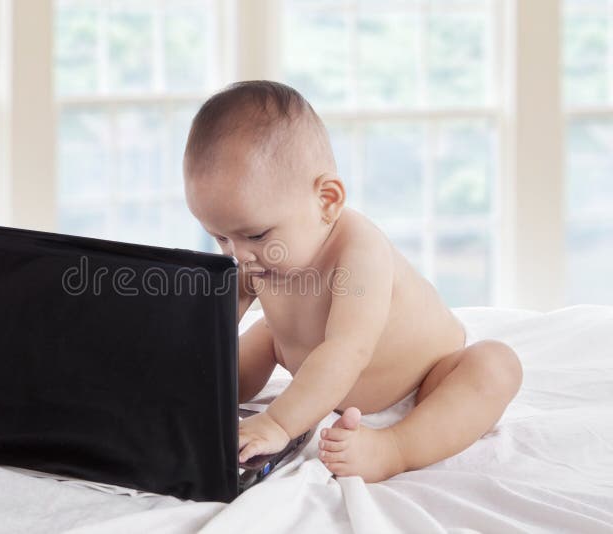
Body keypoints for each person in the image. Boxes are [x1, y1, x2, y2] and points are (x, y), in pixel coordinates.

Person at [182, 80, 523, 483]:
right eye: (220, 237)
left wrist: (278, 422)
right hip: (316, 374)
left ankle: (396, 447)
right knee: (257, 339)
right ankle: (194, 399)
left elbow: (347, 351)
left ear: (327, 200)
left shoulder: (359, 252)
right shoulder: (254, 255)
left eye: (255, 236)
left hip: (425, 383)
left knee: (496, 366)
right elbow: (217, 322)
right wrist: (188, 359)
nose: (237, 255)